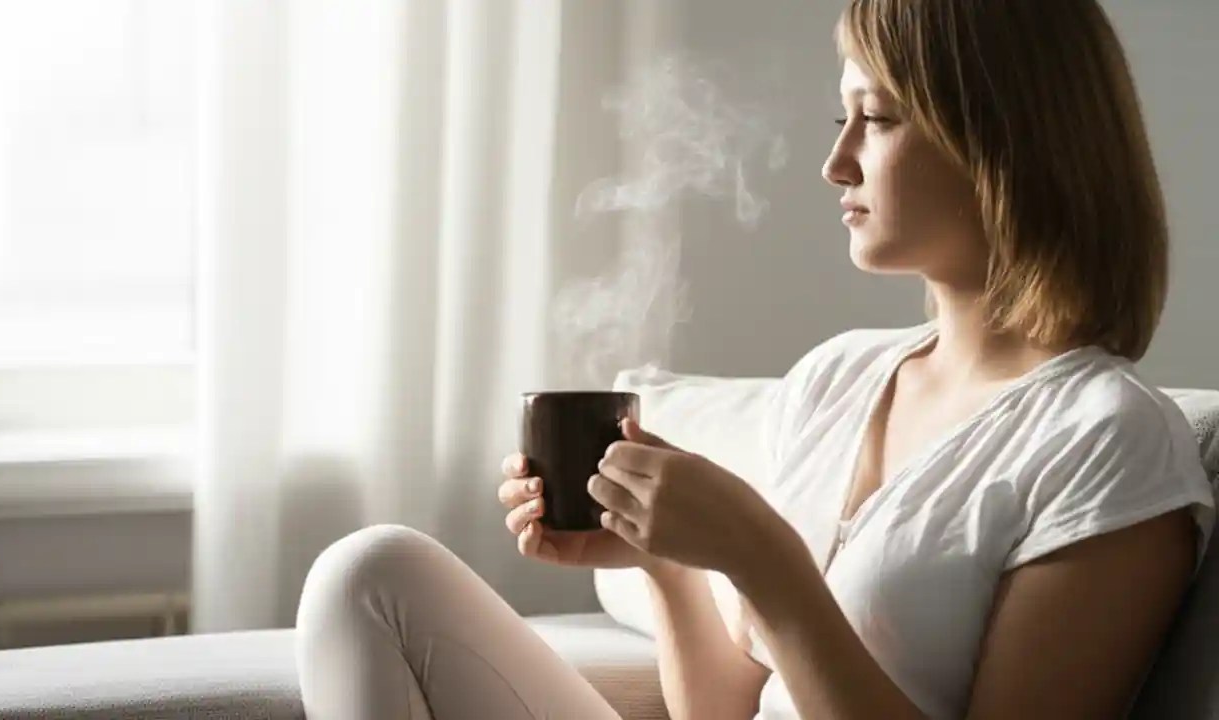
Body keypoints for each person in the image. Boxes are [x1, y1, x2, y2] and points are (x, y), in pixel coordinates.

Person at [292, 0, 1215, 718]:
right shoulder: (839, 378)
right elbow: (724, 709)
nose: (837, 162)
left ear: (1002, 141)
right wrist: (663, 563)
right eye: (841, 118)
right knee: (370, 574)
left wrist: (762, 556)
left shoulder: (1108, 439)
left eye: (877, 118)